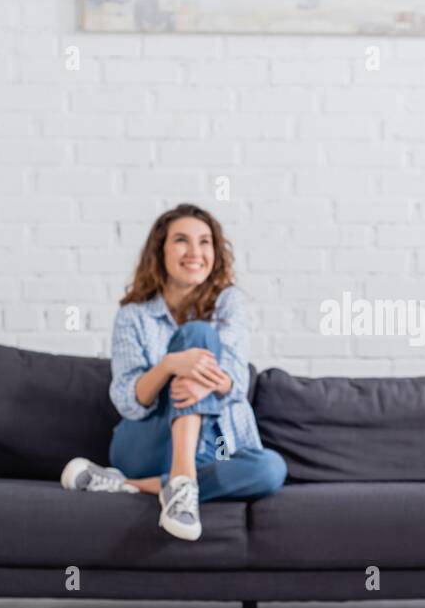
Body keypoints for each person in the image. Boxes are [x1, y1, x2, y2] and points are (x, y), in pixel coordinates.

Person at [60, 204, 287, 541]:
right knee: (197, 336)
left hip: (215, 446)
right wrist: (170, 366)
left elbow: (235, 383)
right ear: (160, 251)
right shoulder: (133, 316)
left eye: (205, 242)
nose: (195, 252)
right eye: (182, 240)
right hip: (148, 443)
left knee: (269, 469)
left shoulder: (229, 304)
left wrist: (202, 384)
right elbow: (128, 401)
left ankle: (134, 486)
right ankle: (179, 478)